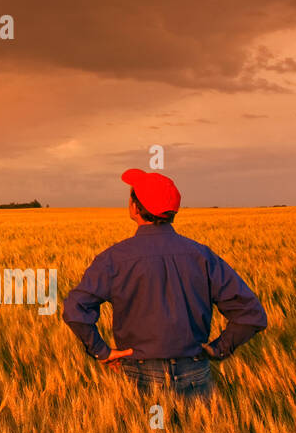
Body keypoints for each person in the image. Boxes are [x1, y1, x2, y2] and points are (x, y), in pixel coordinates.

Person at [62, 169, 268, 399]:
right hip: (195, 370)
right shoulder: (201, 256)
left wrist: (101, 351)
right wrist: (218, 349)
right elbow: (251, 314)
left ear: (135, 207)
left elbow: (75, 309)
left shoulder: (114, 259)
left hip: (139, 373)